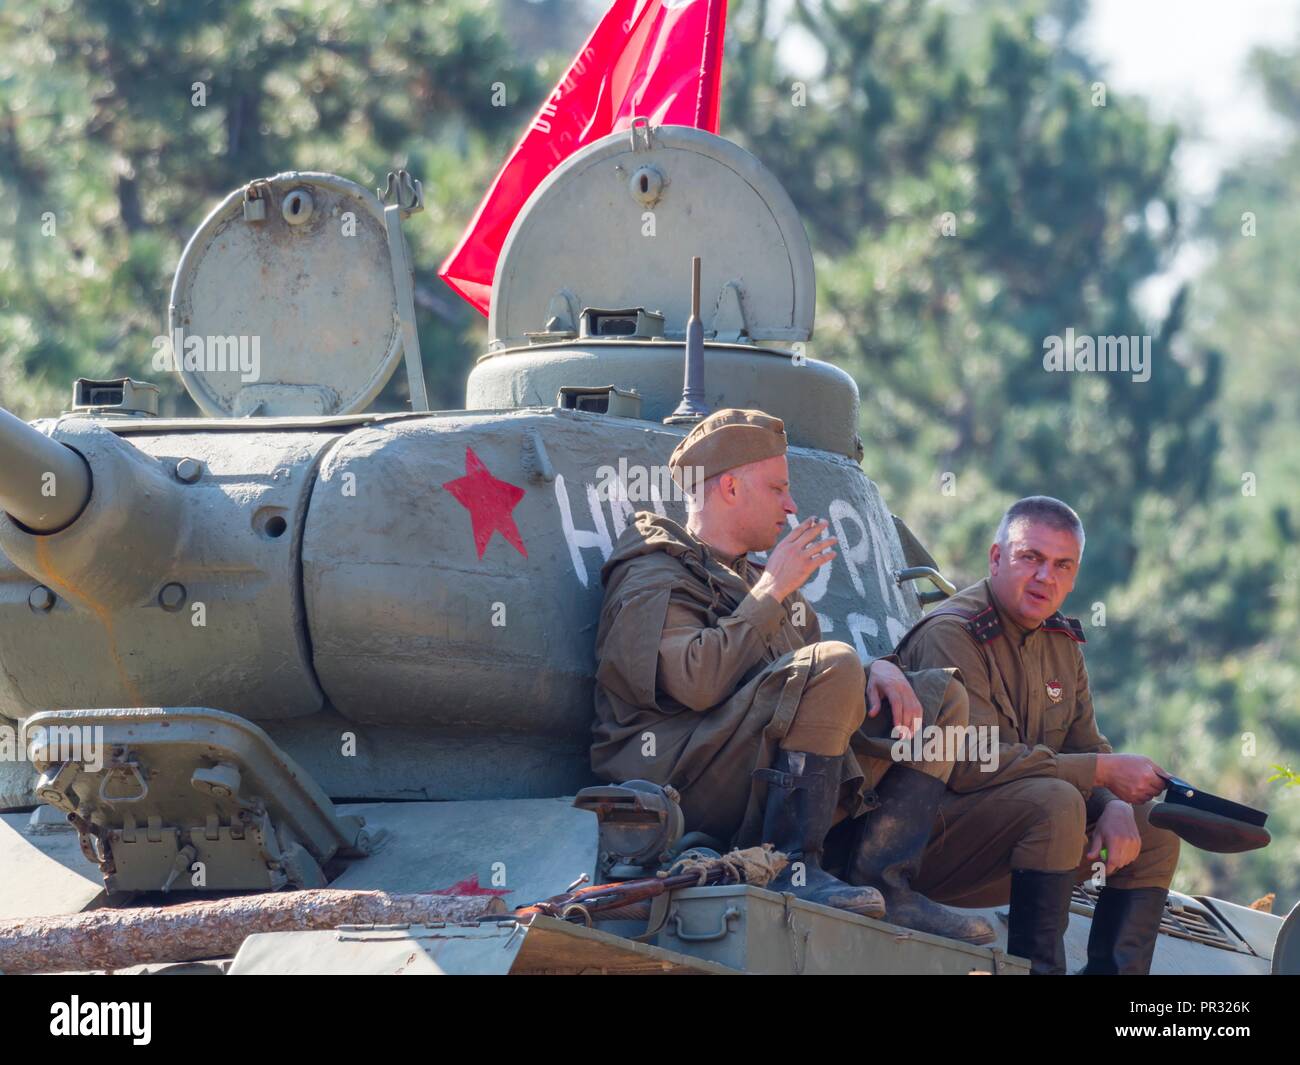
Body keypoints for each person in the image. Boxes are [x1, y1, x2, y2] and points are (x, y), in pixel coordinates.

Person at [590, 408, 993, 943]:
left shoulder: (758, 580)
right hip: (677, 780)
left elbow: (810, 680)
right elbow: (696, 682)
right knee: (834, 664)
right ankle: (793, 868)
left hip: (747, 763)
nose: (791, 504)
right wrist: (771, 593)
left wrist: (879, 672)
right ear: (730, 487)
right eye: (778, 487)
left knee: (938, 698)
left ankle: (884, 884)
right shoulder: (654, 571)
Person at [892, 495, 1180, 974]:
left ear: (1073, 577)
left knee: (1153, 827)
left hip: (1025, 845)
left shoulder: (1060, 644)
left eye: (1061, 565)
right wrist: (1103, 772)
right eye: (1031, 558)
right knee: (1056, 802)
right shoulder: (953, 634)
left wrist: (1114, 804)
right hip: (930, 844)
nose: (1045, 577)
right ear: (996, 557)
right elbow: (970, 763)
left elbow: (1086, 744)